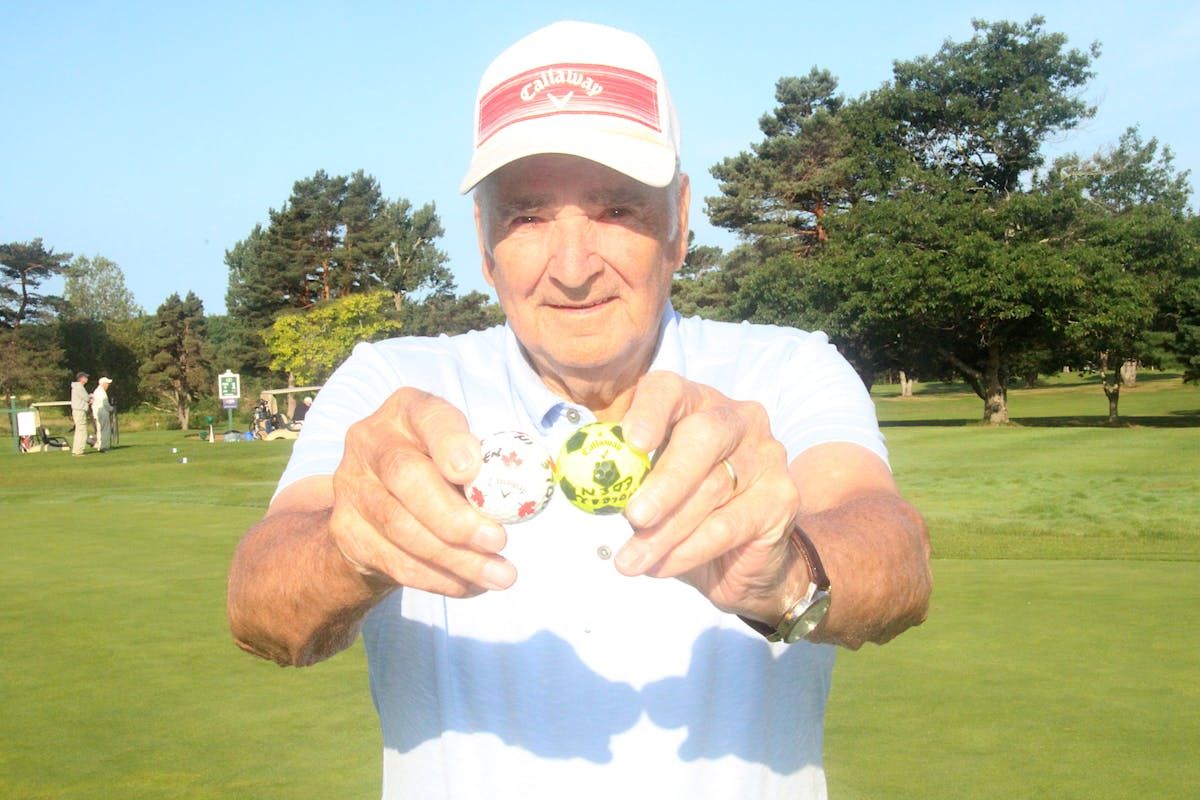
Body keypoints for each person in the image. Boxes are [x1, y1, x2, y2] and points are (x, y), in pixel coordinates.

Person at [227, 21, 931, 800]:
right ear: (483, 238)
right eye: (528, 216)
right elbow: (261, 609)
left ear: (680, 220)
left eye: (617, 210)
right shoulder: (392, 384)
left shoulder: (786, 367)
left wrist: (791, 571)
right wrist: (349, 549)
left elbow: (896, 557)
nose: (570, 267)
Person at [70, 371, 90, 456]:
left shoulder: (77, 387)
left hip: (77, 411)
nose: (87, 379)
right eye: (85, 377)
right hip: (80, 411)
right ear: (81, 378)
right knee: (82, 431)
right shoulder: (79, 387)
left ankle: (76, 450)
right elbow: (86, 398)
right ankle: (79, 451)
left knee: (79, 431)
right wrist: (91, 398)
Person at [92, 377, 114, 452]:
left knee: (99, 430)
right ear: (103, 384)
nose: (108, 385)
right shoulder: (102, 392)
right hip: (102, 412)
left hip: (97, 413)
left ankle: (99, 445)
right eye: (107, 383)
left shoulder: (96, 391)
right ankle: (104, 447)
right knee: (105, 430)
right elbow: (105, 404)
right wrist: (112, 409)